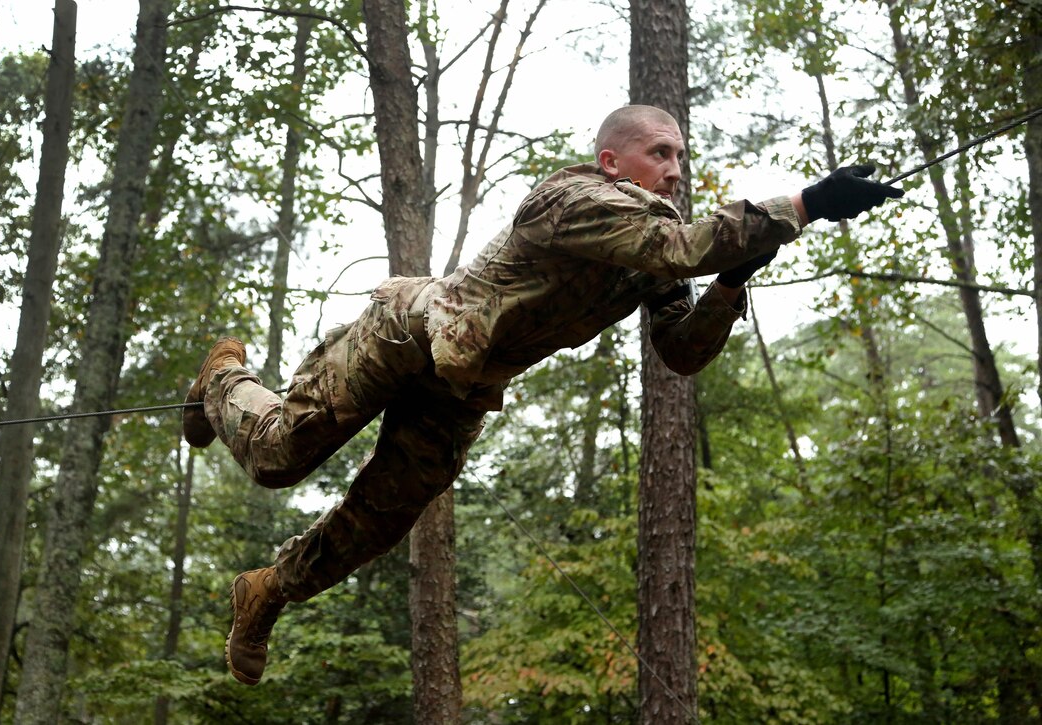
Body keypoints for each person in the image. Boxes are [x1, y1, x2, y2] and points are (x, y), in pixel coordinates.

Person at [182, 104, 903, 685]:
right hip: (411, 331)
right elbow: (682, 245)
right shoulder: (572, 198)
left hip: (463, 387)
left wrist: (732, 281)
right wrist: (807, 202)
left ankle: (268, 589)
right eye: (661, 153)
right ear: (612, 160)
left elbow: (680, 351)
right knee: (278, 455)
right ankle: (220, 378)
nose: (676, 171)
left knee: (379, 520)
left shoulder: (653, 246)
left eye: (682, 157)